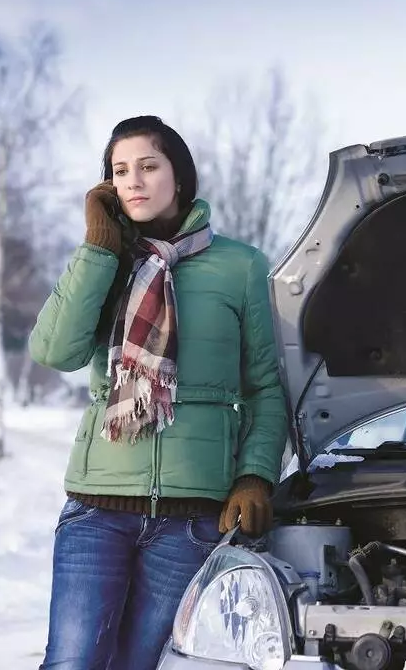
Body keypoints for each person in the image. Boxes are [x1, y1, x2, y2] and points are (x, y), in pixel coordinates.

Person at [29, 115, 289, 670]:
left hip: (193, 518)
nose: (134, 181)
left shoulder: (241, 267)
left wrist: (255, 475)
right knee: (71, 664)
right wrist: (99, 248)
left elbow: (267, 388)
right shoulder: (106, 262)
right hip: (96, 509)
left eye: (148, 166)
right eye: (120, 171)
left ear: (180, 176)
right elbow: (55, 352)